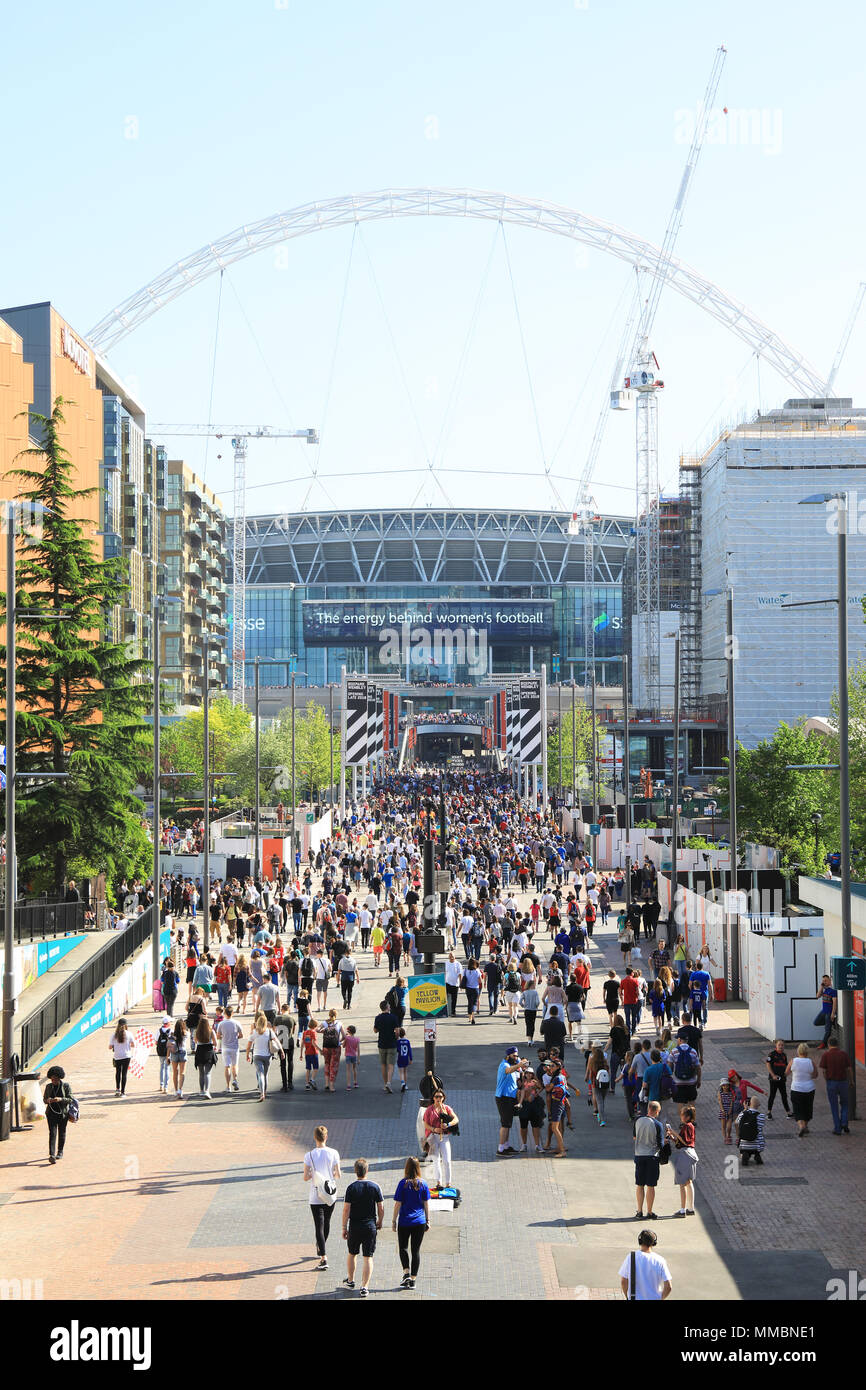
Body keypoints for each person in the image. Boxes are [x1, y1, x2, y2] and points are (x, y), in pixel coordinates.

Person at [341, 1157, 384, 1297]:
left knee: (352, 1253)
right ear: (367, 1170)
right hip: (370, 1226)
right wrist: (380, 1221)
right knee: (368, 1257)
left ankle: (351, 1279)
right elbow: (381, 1207)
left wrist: (344, 1227)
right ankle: (364, 1286)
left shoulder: (351, 1188)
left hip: (354, 1226)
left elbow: (346, 1210)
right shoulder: (375, 1186)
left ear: (355, 1171)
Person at [304, 1124, 342, 1271]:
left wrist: (314, 1174)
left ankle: (323, 1256)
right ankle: (321, 1246)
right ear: (326, 1137)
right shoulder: (334, 1153)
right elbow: (338, 1174)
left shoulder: (309, 1155)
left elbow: (305, 1177)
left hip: (315, 1195)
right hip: (330, 1193)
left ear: (315, 1137)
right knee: (327, 1222)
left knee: (318, 1225)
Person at [393, 1156, 431, 1290]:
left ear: (407, 1168)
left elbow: (398, 1204)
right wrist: (428, 1220)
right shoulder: (423, 1184)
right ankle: (413, 1279)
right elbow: (426, 1204)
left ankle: (406, 1273)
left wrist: (393, 1220)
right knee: (416, 1250)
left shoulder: (402, 1183)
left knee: (403, 1248)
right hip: (419, 1222)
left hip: (404, 1221)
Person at [633, 1100, 665, 1219]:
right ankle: (650, 1212)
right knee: (651, 1185)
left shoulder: (638, 1120)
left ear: (648, 1109)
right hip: (652, 1156)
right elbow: (660, 1144)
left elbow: (634, 1136)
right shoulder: (658, 1124)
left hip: (639, 1155)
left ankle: (639, 1211)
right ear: (656, 1111)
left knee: (640, 1184)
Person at [619, 1229, 672, 1301]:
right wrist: (660, 1298)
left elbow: (623, 1282)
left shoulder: (631, 1257)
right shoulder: (660, 1260)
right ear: (654, 1243)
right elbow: (668, 1287)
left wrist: (628, 1297)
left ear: (640, 1241)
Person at [423, 1085, 458, 1190]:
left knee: (447, 1160)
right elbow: (425, 1124)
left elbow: (456, 1119)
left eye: (440, 1097)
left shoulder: (446, 1109)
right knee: (436, 1160)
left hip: (445, 1137)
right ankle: (438, 1182)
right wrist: (434, 1129)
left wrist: (448, 1125)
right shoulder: (429, 1110)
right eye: (436, 1097)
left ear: (443, 1098)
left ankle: (448, 1183)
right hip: (433, 1137)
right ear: (433, 1098)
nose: (438, 1099)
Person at [819, 1036, 853, 1135]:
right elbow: (849, 1069)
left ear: (829, 1044)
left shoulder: (826, 1055)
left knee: (834, 1106)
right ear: (837, 1044)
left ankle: (837, 1128)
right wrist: (851, 1081)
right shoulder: (843, 1054)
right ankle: (844, 1123)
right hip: (843, 1082)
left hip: (831, 1082)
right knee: (845, 1104)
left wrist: (827, 1081)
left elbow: (824, 1071)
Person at [495, 1045, 526, 1155]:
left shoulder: (513, 1064)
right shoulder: (504, 1065)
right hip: (503, 1097)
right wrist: (519, 1064)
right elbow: (508, 1070)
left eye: (517, 1056)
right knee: (505, 1124)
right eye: (514, 1056)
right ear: (508, 1056)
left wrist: (521, 1065)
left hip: (510, 1097)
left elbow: (518, 1067)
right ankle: (500, 1149)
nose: (516, 1057)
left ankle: (506, 1146)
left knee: (508, 1123)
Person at [667, 1105, 697, 1215]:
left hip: (686, 1154)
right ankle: (691, 1208)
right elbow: (680, 1142)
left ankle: (682, 1209)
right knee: (689, 1182)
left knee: (682, 1183)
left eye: (682, 1114)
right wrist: (673, 1137)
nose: (680, 1116)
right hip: (691, 1153)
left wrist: (674, 1132)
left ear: (687, 1116)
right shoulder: (689, 1126)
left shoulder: (687, 1126)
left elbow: (685, 1142)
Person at [246, 1012, 283, 1101]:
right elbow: (277, 1041)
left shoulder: (255, 1032)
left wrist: (247, 1054)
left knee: (260, 1074)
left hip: (257, 1055)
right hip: (267, 1056)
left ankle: (262, 1093)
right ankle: (264, 1092)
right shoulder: (269, 1031)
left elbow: (249, 1045)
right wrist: (281, 1051)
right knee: (265, 1074)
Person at [43, 1065, 75, 1163]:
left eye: (56, 1079)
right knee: (52, 1133)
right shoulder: (48, 1086)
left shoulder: (66, 1086)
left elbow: (70, 1099)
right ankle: (52, 1154)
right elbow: (44, 1099)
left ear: (59, 1078)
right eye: (52, 1079)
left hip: (62, 1114)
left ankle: (60, 1152)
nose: (54, 1081)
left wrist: (60, 1099)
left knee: (62, 1132)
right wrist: (48, 1100)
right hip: (51, 1113)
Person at [787, 1042, 819, 1137]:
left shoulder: (793, 1061)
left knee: (797, 1108)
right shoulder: (810, 1062)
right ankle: (805, 1126)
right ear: (807, 1051)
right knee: (807, 1107)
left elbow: (786, 1072)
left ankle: (801, 1126)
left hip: (796, 1088)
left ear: (798, 1051)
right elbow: (815, 1075)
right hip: (809, 1088)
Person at [374, 999, 400, 1092]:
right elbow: (397, 1031)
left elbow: (375, 1030)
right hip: (392, 1043)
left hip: (381, 1043)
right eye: (389, 1005)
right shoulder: (393, 1017)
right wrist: (396, 1038)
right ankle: (389, 1082)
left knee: (383, 1064)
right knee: (391, 1064)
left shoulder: (378, 1018)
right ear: (387, 1007)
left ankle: (385, 1084)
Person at [217, 1005, 244, 1092]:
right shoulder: (237, 1023)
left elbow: (218, 1036)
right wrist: (235, 1037)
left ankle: (228, 1087)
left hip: (225, 1047)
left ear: (225, 1013)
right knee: (234, 1065)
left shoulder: (221, 1023)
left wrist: (224, 1036)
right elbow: (241, 1035)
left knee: (227, 1066)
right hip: (234, 1047)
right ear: (232, 1013)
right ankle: (235, 1080)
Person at [734, 1095, 766, 1165]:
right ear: (759, 1105)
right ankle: (757, 1154)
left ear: (748, 1104)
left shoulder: (742, 1114)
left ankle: (745, 1153)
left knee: (741, 1139)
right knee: (760, 1134)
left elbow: (736, 1122)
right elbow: (761, 1126)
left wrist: (745, 1109)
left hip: (744, 1144)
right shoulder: (761, 1116)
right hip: (756, 1144)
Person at [765, 1039, 791, 1119]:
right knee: (772, 1095)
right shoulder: (772, 1054)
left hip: (782, 1079)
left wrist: (786, 1074)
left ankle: (788, 1113)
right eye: (779, 1045)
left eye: (782, 1045)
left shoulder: (784, 1055)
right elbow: (768, 1064)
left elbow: (786, 1066)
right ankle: (769, 1113)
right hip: (773, 1079)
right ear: (776, 1045)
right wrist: (773, 1075)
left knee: (784, 1095)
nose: (781, 1046)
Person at [193, 1014, 217, 1098]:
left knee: (201, 1073)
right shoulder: (211, 1031)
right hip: (208, 1051)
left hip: (199, 1051)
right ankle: (207, 1091)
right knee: (207, 1073)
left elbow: (195, 1041)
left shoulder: (197, 1032)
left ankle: (201, 1090)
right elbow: (215, 1043)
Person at [274, 1002, 295, 1092]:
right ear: (288, 1009)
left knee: (282, 1063)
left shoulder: (277, 1018)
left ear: (282, 1010)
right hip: (290, 1040)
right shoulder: (292, 1018)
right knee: (290, 1061)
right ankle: (290, 1083)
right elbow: (293, 1031)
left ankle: (284, 1084)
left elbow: (274, 1030)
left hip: (281, 1041)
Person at [321, 1009, 344, 1092]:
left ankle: (326, 1084)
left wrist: (324, 1031)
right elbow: (344, 1036)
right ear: (336, 1015)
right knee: (333, 1066)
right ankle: (331, 1085)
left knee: (327, 1064)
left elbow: (316, 1030)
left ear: (329, 1015)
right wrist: (339, 1042)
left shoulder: (325, 1023)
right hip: (335, 1047)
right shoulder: (339, 1023)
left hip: (326, 1046)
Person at [109, 1018, 133, 1096]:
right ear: (126, 1025)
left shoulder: (114, 1035)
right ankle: (123, 1092)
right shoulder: (129, 1034)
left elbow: (110, 1047)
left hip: (117, 1056)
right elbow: (133, 1045)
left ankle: (117, 1089)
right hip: (126, 1056)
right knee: (124, 1073)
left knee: (118, 1072)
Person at [814, 974, 838, 1048]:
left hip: (829, 1013)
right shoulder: (825, 990)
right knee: (816, 1022)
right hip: (823, 1011)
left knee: (827, 1030)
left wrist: (833, 1014)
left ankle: (823, 1044)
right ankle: (830, 1023)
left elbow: (835, 1003)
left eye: (825, 981)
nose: (824, 982)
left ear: (830, 981)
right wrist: (821, 987)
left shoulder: (833, 991)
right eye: (823, 981)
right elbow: (817, 996)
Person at [302, 1018, 322, 1090]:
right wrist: (319, 1050)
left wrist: (301, 1053)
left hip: (307, 1052)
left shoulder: (305, 1032)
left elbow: (302, 1043)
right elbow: (313, 1043)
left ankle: (307, 1084)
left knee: (308, 1069)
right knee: (316, 1068)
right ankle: (312, 1079)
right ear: (315, 1026)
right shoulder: (313, 1033)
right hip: (313, 1052)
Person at [156, 1015, 173, 1093]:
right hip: (168, 1052)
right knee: (167, 1068)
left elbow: (156, 1042)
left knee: (161, 1067)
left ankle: (161, 1085)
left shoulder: (158, 1030)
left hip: (160, 1052)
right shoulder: (171, 1031)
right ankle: (166, 1087)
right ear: (168, 1023)